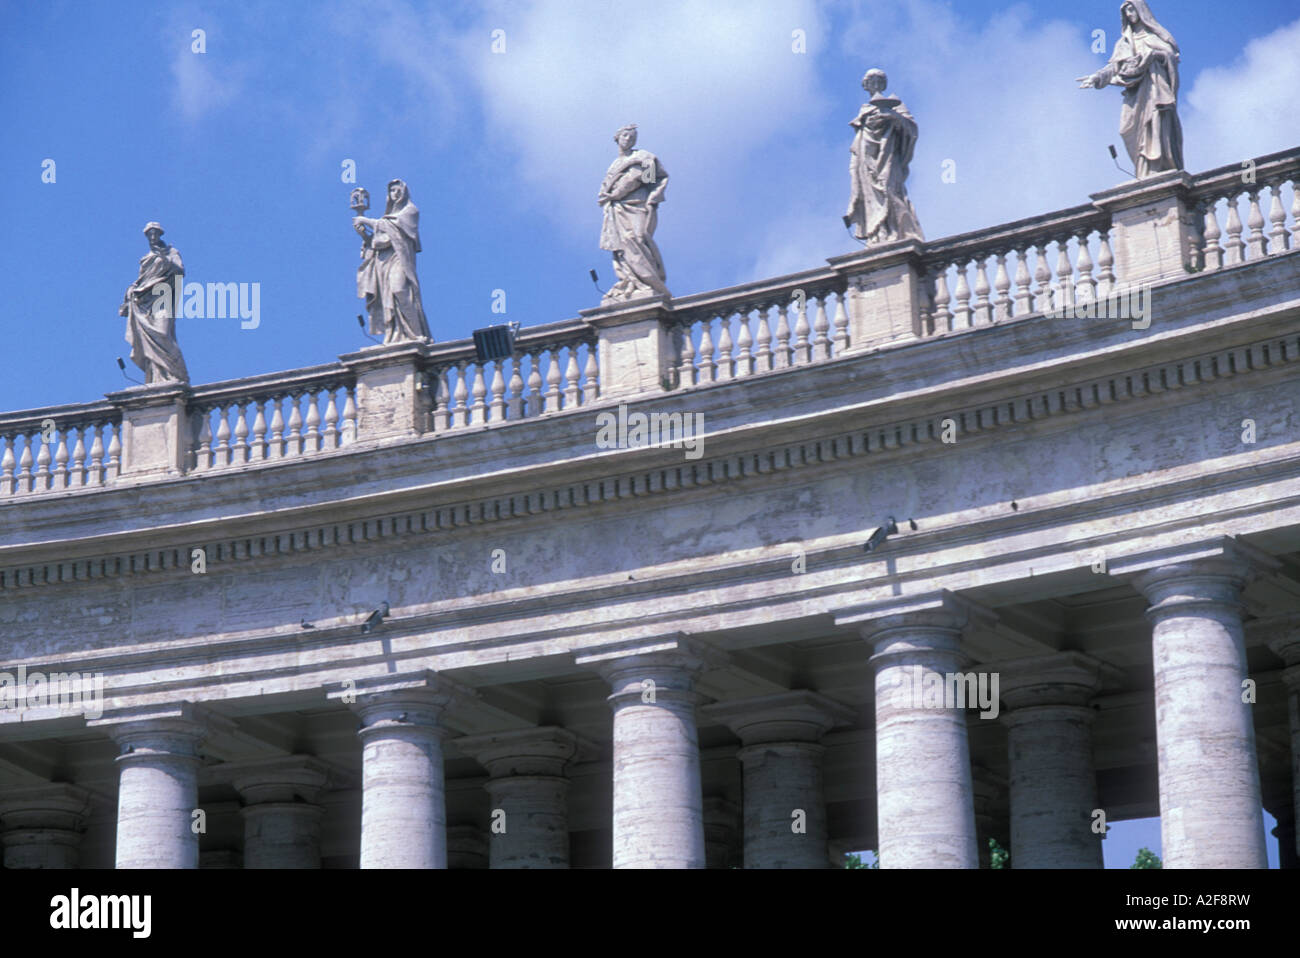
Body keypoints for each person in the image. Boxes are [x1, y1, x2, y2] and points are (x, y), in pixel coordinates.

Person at [1077, 0, 1183, 179]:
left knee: (1156, 124)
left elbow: (1171, 56)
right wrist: (1096, 77)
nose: (1129, 14)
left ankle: (1157, 169)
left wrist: (1155, 55)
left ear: (1141, 11)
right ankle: (1143, 170)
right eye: (1125, 12)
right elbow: (1114, 67)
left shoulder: (1156, 37)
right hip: (1135, 94)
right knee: (1127, 128)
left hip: (1155, 89)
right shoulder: (1125, 42)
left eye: (1131, 9)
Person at [845, 69, 924, 246]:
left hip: (887, 155)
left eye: (879, 80)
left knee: (889, 189)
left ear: (884, 83)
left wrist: (893, 117)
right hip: (866, 156)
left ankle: (896, 231)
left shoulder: (896, 105)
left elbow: (911, 129)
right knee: (869, 193)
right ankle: (878, 233)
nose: (875, 84)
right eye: (871, 81)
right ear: (866, 85)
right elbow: (859, 141)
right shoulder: (864, 109)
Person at [598, 124, 671, 304]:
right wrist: (610, 196)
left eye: (633, 137)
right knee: (622, 245)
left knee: (638, 238)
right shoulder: (613, 165)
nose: (629, 140)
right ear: (617, 138)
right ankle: (630, 280)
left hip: (637, 204)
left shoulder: (644, 157)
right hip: (617, 208)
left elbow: (647, 180)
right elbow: (605, 189)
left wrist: (619, 192)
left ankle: (652, 283)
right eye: (626, 136)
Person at [352, 179, 431, 342]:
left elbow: (394, 227)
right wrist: (363, 234)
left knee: (399, 290)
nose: (395, 194)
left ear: (404, 192)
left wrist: (366, 221)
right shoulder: (386, 219)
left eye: (397, 190)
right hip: (383, 262)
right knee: (387, 299)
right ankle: (395, 333)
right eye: (391, 191)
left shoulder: (410, 211)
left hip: (400, 260)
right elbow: (378, 243)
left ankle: (416, 333)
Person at [120, 222, 189, 383]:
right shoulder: (146, 259)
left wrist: (165, 259)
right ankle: (157, 377)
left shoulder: (171, 252)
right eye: (149, 234)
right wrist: (131, 289)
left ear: (160, 234)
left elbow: (180, 271)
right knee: (147, 339)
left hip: (163, 298)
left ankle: (179, 374)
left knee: (163, 334)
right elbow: (141, 280)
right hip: (144, 301)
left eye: (155, 233)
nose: (152, 237)